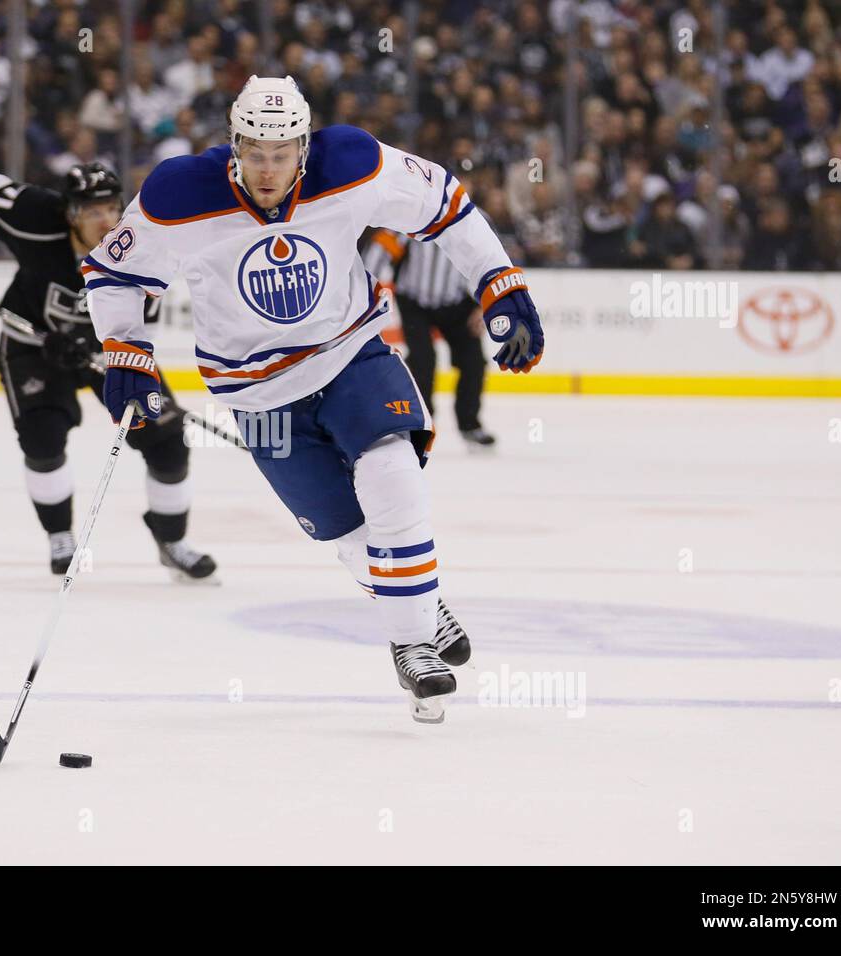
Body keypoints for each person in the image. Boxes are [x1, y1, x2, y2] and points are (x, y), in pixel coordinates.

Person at [83, 76, 544, 722]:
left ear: (304, 145)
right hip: (257, 393)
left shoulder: (351, 162)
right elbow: (113, 274)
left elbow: (442, 201)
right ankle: (417, 606)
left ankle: (411, 641)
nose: (269, 169)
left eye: (282, 153)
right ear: (233, 143)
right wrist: (126, 350)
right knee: (348, 530)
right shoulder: (179, 193)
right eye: (255, 152)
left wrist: (499, 282)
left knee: (392, 472)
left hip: (351, 354)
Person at [0, 161, 217, 581]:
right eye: (91, 212)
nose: (105, 221)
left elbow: (137, 324)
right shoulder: (34, 216)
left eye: (111, 208)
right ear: (69, 213)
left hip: (108, 350)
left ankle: (173, 541)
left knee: (167, 441)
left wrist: (101, 352)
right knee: (42, 438)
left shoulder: (141, 241)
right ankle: (60, 536)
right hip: (32, 345)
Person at [363, 228, 496, 448]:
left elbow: (489, 262)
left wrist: (483, 304)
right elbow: (381, 248)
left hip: (458, 303)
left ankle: (470, 425)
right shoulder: (414, 211)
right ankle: (420, 424)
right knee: (422, 361)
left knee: (473, 362)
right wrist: (365, 287)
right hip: (415, 302)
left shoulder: (475, 219)